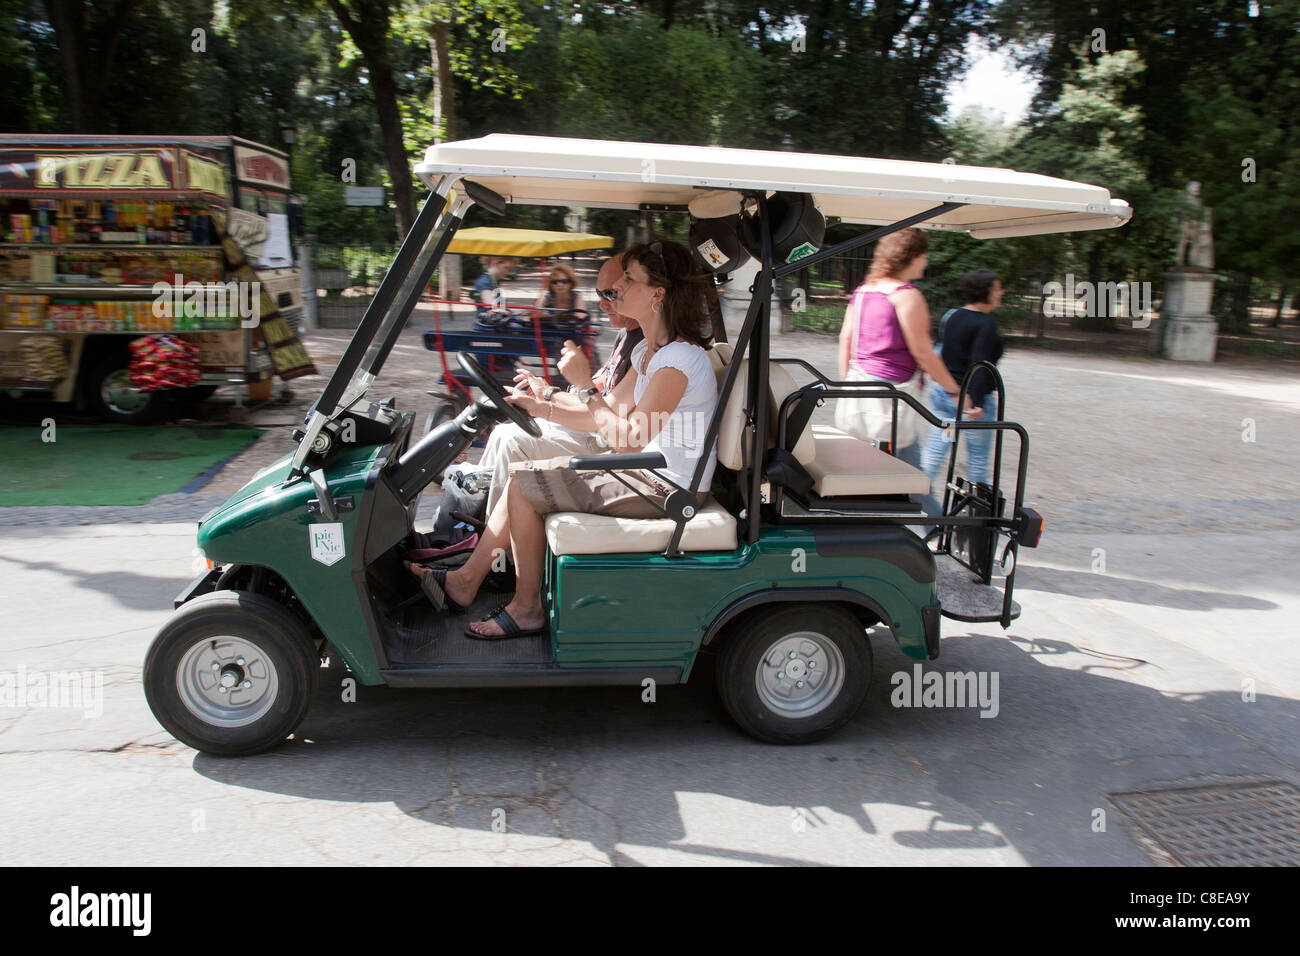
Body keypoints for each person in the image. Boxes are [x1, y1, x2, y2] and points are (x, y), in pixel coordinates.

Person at [410, 239, 717, 639]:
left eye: (628, 280)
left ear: (657, 294)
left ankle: (524, 609)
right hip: (648, 475)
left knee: (523, 486)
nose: (616, 290)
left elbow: (628, 440)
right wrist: (541, 405)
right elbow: (602, 420)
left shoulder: (678, 360)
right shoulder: (651, 354)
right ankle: (467, 580)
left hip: (668, 487)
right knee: (524, 476)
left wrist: (585, 385)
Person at [478, 256, 644, 517]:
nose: (602, 304)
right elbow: (593, 393)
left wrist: (545, 406)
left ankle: (493, 547)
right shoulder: (627, 334)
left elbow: (602, 413)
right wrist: (546, 393)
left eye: (612, 294)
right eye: (600, 294)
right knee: (502, 432)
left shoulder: (649, 347)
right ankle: (473, 520)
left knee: (512, 441)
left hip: (608, 442)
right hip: (599, 430)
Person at [834, 227, 977, 473]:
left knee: (865, 469)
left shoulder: (864, 290)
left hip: (860, 384)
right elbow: (922, 351)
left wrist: (847, 384)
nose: (926, 260)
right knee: (910, 482)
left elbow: (846, 339)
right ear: (911, 256)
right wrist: (956, 392)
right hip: (893, 394)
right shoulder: (906, 295)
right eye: (924, 254)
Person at [921, 269, 1005, 490]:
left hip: (947, 397)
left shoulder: (952, 315)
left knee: (936, 449)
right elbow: (979, 365)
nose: (1001, 292)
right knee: (977, 458)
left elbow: (940, 352)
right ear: (984, 291)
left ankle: (911, 495)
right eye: (997, 288)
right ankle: (974, 511)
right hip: (971, 406)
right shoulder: (986, 324)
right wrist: (975, 402)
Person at [533, 262, 587, 326]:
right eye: (554, 282)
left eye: (564, 281)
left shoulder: (576, 296)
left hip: (572, 331)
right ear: (551, 285)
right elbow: (535, 314)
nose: (559, 284)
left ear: (571, 283)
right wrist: (542, 296)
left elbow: (580, 316)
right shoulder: (548, 296)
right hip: (554, 332)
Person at [473, 256, 506, 322]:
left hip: (494, 323)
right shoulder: (484, 282)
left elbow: (501, 308)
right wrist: (512, 313)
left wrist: (520, 311)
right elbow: (493, 310)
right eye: (506, 268)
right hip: (488, 325)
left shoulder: (493, 281)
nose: (507, 272)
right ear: (495, 262)